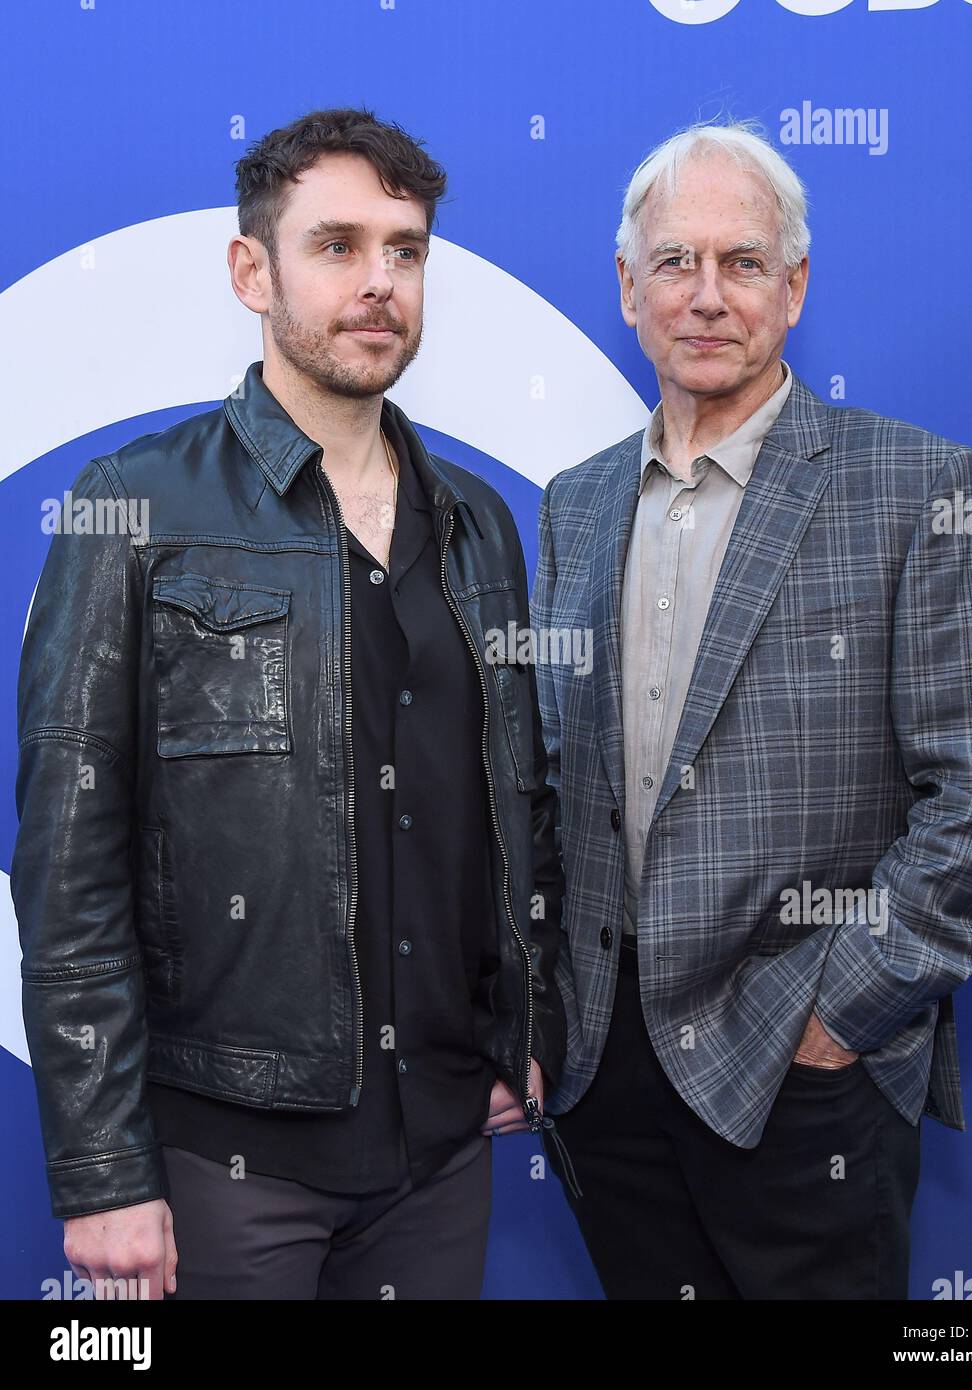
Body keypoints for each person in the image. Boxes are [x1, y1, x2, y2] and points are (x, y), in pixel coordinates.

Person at [12, 106, 565, 1301]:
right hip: (228, 1157)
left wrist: (516, 1021)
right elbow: (70, 862)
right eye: (339, 245)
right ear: (250, 270)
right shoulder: (136, 509)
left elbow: (513, 806)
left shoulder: (478, 524)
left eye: (406, 251)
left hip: (443, 1146)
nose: (380, 284)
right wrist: (105, 1170)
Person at [531, 118, 972, 1300]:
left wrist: (838, 1012)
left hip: (800, 1070)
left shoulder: (917, 484)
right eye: (675, 262)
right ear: (628, 287)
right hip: (603, 1079)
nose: (707, 295)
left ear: (795, 286)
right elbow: (553, 781)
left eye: (743, 263)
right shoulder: (574, 505)